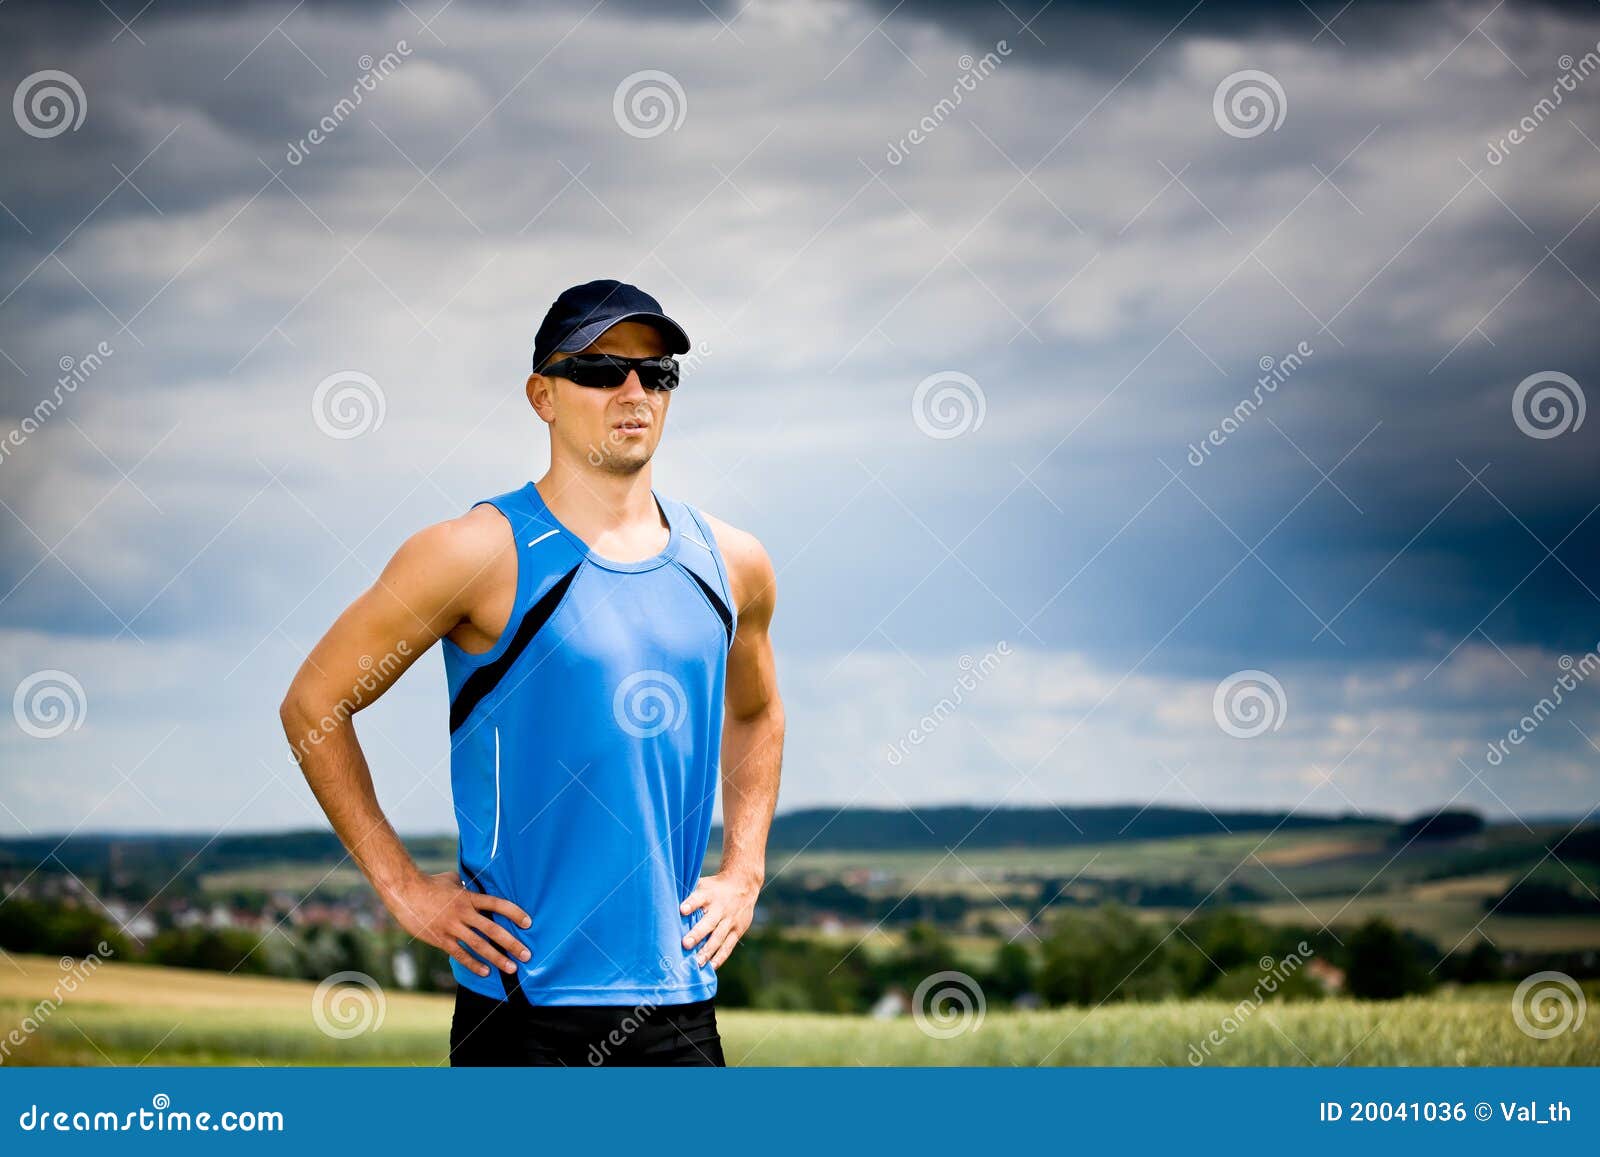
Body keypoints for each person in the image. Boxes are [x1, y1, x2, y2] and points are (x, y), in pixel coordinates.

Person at [279, 279, 784, 1066]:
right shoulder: (474, 553)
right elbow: (314, 702)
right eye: (600, 369)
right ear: (542, 394)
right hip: (520, 1009)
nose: (633, 392)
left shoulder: (732, 564)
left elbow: (755, 714)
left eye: (656, 375)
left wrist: (745, 869)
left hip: (680, 1005)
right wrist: (404, 886)